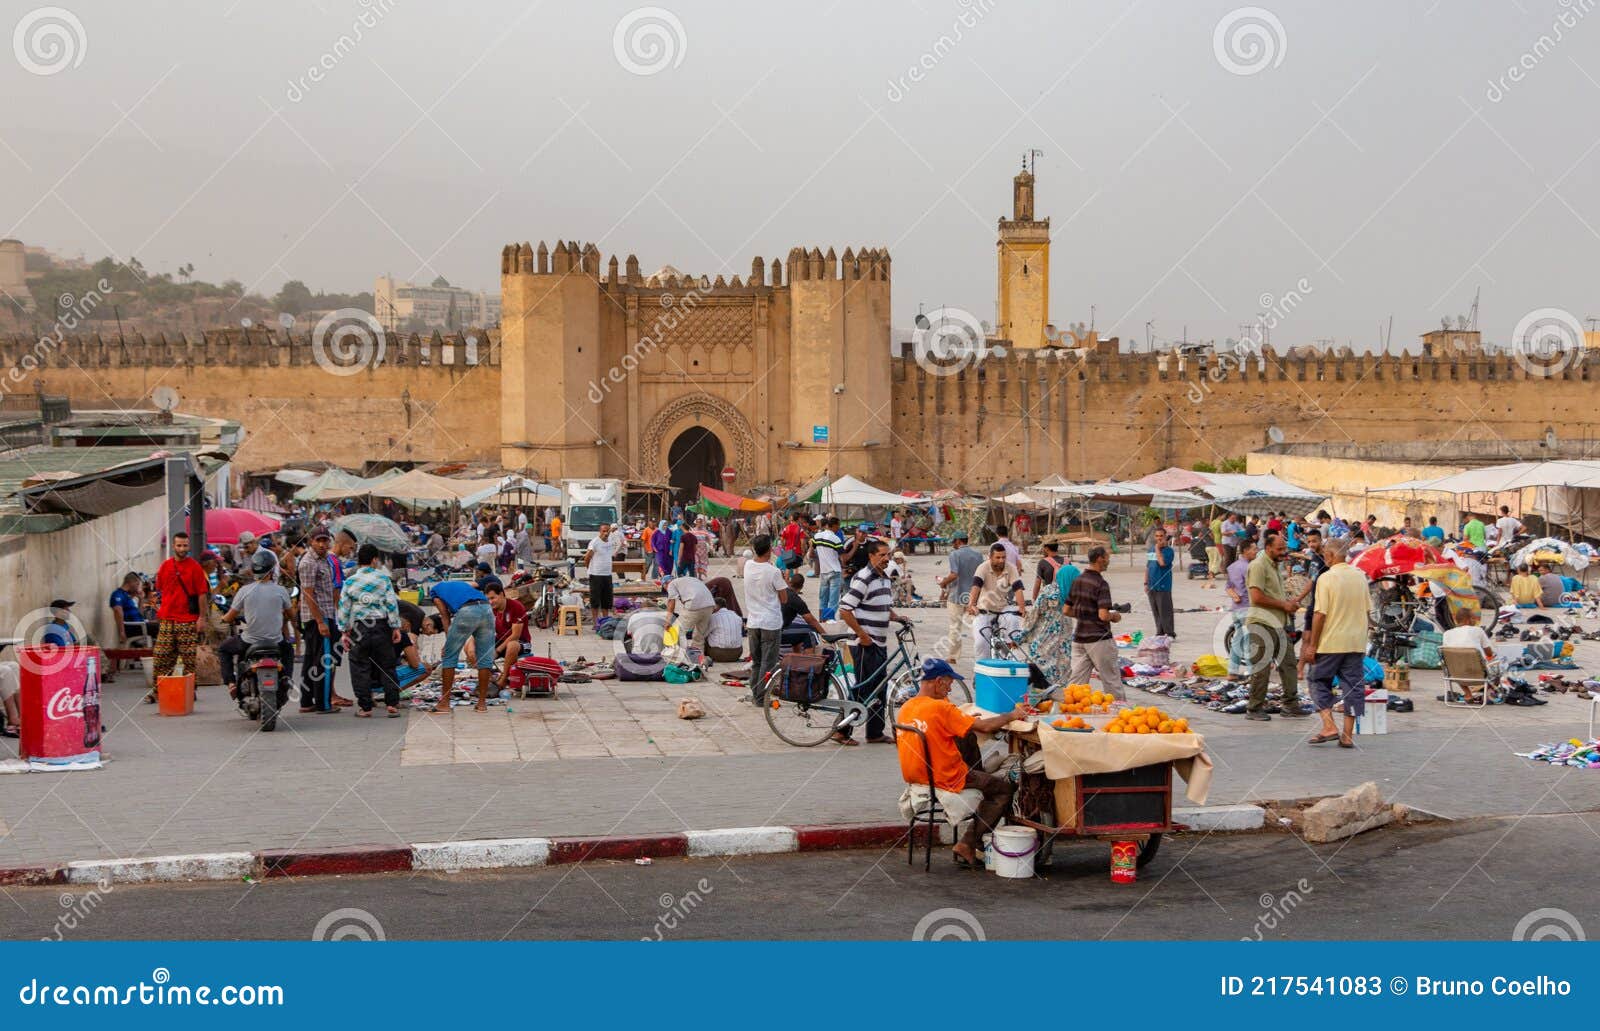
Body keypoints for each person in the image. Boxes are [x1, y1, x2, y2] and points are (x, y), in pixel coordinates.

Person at [895, 657, 1026, 868]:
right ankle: (968, 843)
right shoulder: (940, 708)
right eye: (948, 683)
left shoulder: (907, 707)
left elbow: (949, 725)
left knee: (967, 737)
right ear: (938, 681)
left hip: (916, 774)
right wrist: (1012, 714)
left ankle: (981, 781)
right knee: (1004, 789)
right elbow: (986, 727)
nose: (950, 689)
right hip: (945, 776)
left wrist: (966, 721)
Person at [1299, 536, 1368, 748]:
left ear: (1329, 556)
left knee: (1316, 680)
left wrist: (1312, 645)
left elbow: (1320, 614)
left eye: (1324, 555)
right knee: (1353, 687)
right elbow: (1367, 611)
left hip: (1331, 642)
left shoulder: (1326, 578)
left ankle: (1329, 725)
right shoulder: (1360, 576)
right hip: (1355, 642)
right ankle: (1347, 735)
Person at [838, 538, 901, 745]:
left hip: (879, 642)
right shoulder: (864, 578)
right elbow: (845, 609)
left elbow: (882, 605)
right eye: (882, 555)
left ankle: (874, 733)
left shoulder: (884, 577)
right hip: (865, 644)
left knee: (880, 688)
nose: (886, 558)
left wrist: (897, 617)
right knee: (863, 688)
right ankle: (841, 730)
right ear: (871, 556)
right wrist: (862, 635)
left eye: (888, 554)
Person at [219, 550, 295, 706]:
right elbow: (292, 615)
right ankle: (286, 679)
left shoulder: (245, 590)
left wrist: (223, 619)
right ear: (272, 570)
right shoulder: (281, 590)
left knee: (224, 649)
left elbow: (230, 617)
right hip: (275, 641)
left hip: (249, 641)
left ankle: (231, 683)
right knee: (289, 650)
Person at [1244, 532, 1306, 721]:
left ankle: (1290, 704)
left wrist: (1288, 604)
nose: (1283, 552)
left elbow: (1275, 595)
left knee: (1289, 664)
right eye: (1279, 549)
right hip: (1261, 623)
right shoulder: (1258, 565)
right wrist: (1283, 605)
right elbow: (1257, 597)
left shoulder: (1275, 566)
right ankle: (1254, 708)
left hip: (1279, 623)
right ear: (1268, 548)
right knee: (1261, 669)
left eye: (1284, 548)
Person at [337, 544, 403, 718]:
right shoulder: (383, 579)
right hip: (381, 626)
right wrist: (395, 626)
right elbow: (391, 604)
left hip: (359, 628)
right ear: (374, 560)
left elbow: (344, 608)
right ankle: (392, 704)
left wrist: (344, 631)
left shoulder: (350, 582)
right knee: (387, 665)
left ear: (359, 561)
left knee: (360, 666)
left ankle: (365, 707)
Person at [149, 532, 209, 703]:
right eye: (179, 545)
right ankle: (159, 691)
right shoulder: (165, 566)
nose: (182, 549)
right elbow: (159, 590)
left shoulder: (195, 567)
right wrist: (158, 609)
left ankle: (190, 690)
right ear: (173, 546)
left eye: (185, 545)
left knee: (189, 659)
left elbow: (202, 594)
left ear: (188, 546)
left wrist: (201, 618)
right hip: (167, 619)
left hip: (188, 620)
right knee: (161, 657)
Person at [428, 578, 496, 713]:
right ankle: (482, 704)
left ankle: (444, 703)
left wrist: (448, 643)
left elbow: (445, 616)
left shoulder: (435, 592)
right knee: (485, 658)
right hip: (487, 609)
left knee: (449, 657)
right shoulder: (460, 585)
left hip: (468, 611)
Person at [1066, 546, 1124, 700]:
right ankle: (1120, 711)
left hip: (1079, 639)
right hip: (1099, 640)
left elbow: (1066, 610)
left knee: (1076, 685)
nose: (1108, 561)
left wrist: (1084, 615)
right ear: (1100, 559)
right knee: (1111, 682)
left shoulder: (1077, 580)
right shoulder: (1101, 583)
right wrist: (1115, 616)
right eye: (1107, 557)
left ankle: (1069, 709)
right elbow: (1103, 615)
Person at [743, 534, 788, 703]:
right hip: (770, 622)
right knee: (768, 663)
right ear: (769, 550)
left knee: (757, 661)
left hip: (753, 621)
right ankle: (761, 696)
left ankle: (756, 692)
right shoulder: (773, 572)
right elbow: (784, 598)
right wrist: (783, 579)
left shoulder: (748, 565)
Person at [967, 543, 1025, 660]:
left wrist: (1022, 608)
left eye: (1003, 557)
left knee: (1013, 624)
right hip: (983, 609)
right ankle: (983, 666)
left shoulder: (1011, 568)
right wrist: (971, 605)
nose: (1001, 560)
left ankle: (1007, 659)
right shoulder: (982, 568)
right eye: (998, 557)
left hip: (1003, 608)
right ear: (990, 557)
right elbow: (976, 587)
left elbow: (1018, 589)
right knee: (981, 642)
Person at [935, 530, 982, 661]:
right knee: (977, 626)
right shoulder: (978, 555)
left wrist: (943, 582)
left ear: (958, 541)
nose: (953, 544)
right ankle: (982, 654)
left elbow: (954, 574)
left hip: (956, 595)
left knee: (955, 627)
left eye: (954, 542)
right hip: (974, 596)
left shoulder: (954, 554)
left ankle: (953, 656)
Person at [481, 580, 529, 688]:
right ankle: (490, 678)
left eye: (493, 598)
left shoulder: (516, 607)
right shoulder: (491, 609)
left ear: (502, 594)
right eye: (488, 599)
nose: (490, 602)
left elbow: (515, 635)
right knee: (472, 643)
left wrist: (497, 651)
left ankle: (503, 680)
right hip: (501, 640)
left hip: (521, 642)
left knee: (512, 645)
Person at [1225, 539, 1258, 680]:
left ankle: (1232, 671)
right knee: (1249, 641)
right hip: (1247, 608)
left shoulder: (1232, 567)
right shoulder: (1250, 568)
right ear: (1245, 551)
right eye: (1254, 549)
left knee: (1237, 641)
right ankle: (1251, 672)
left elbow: (1228, 587)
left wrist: (1235, 597)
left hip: (1236, 609)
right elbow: (1254, 588)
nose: (1256, 551)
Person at [665, 573, 717, 648]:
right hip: (709, 605)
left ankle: (674, 652)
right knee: (699, 635)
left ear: (666, 584)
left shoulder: (671, 584)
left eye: (665, 588)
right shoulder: (690, 580)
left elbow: (671, 602)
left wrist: (668, 621)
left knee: (677, 631)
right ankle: (698, 653)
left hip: (694, 604)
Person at [780, 571, 829, 646]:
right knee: (811, 632)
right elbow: (812, 621)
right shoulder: (796, 600)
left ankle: (796, 652)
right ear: (802, 587)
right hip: (779, 633)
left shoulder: (782, 592)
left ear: (790, 582)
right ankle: (808, 654)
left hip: (770, 629)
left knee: (797, 625)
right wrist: (825, 635)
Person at [1145, 527, 1176, 638]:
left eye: (1161, 536)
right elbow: (1148, 567)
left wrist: (1157, 548)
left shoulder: (1169, 551)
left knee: (1165, 611)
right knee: (1156, 610)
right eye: (1157, 536)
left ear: (1165, 536)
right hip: (1151, 585)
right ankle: (1160, 632)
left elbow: (1162, 563)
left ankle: (1169, 633)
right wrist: (1145, 583)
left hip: (1163, 586)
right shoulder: (1151, 550)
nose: (1159, 538)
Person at [813, 516, 845, 620]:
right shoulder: (835, 539)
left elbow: (812, 551)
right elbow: (843, 558)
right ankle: (829, 620)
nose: (839, 528)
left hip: (823, 571)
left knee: (823, 598)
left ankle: (822, 619)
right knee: (833, 600)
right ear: (834, 525)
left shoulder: (817, 536)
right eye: (838, 525)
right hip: (835, 571)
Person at [109, 574, 148, 644]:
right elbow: (117, 611)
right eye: (137, 584)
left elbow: (140, 615)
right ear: (131, 582)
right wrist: (122, 632)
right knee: (163, 628)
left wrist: (141, 599)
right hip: (134, 628)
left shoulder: (128, 596)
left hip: (140, 625)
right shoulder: (118, 594)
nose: (138, 588)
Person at [705, 599, 745, 663]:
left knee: (703, 635)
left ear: (715, 606)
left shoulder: (713, 617)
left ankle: (703, 658)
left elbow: (703, 634)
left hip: (718, 654)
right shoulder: (737, 616)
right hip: (737, 654)